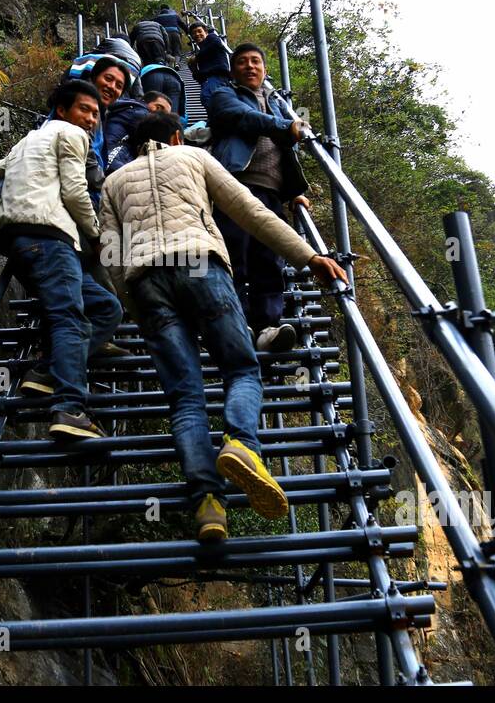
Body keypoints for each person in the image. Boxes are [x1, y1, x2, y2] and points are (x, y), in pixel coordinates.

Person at [98, 112, 347, 541]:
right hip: (200, 264)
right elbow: (250, 211)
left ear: (136, 145)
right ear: (177, 135)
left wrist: (134, 302)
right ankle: (242, 444)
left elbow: (109, 252)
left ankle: (208, 506)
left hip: (146, 282)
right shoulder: (194, 157)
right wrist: (308, 257)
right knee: (241, 369)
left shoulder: (113, 182)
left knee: (185, 398)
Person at [0, 79, 123, 441]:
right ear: (63, 110)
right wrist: (96, 235)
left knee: (106, 307)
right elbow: (76, 192)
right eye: (84, 110)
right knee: (70, 320)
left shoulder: (27, 141)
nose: (91, 119)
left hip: (21, 243)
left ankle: (45, 372)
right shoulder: (72, 136)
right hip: (50, 238)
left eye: (95, 113)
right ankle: (71, 410)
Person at [206, 43, 312, 353]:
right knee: (234, 258)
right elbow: (238, 117)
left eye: (255, 61)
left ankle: (267, 327)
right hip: (236, 185)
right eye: (242, 62)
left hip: (272, 191)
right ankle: (238, 326)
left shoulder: (278, 105)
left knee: (268, 261)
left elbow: (287, 151)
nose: (250, 66)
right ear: (232, 70)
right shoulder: (224, 95)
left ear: (265, 69)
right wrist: (284, 126)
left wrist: (296, 193)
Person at [186, 22, 232, 104]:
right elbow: (200, 77)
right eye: (194, 33)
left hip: (218, 77)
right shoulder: (202, 51)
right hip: (208, 80)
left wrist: (196, 57)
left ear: (206, 32)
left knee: (207, 97)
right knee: (210, 99)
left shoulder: (211, 37)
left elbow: (217, 44)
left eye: (199, 31)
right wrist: (193, 69)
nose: (197, 34)